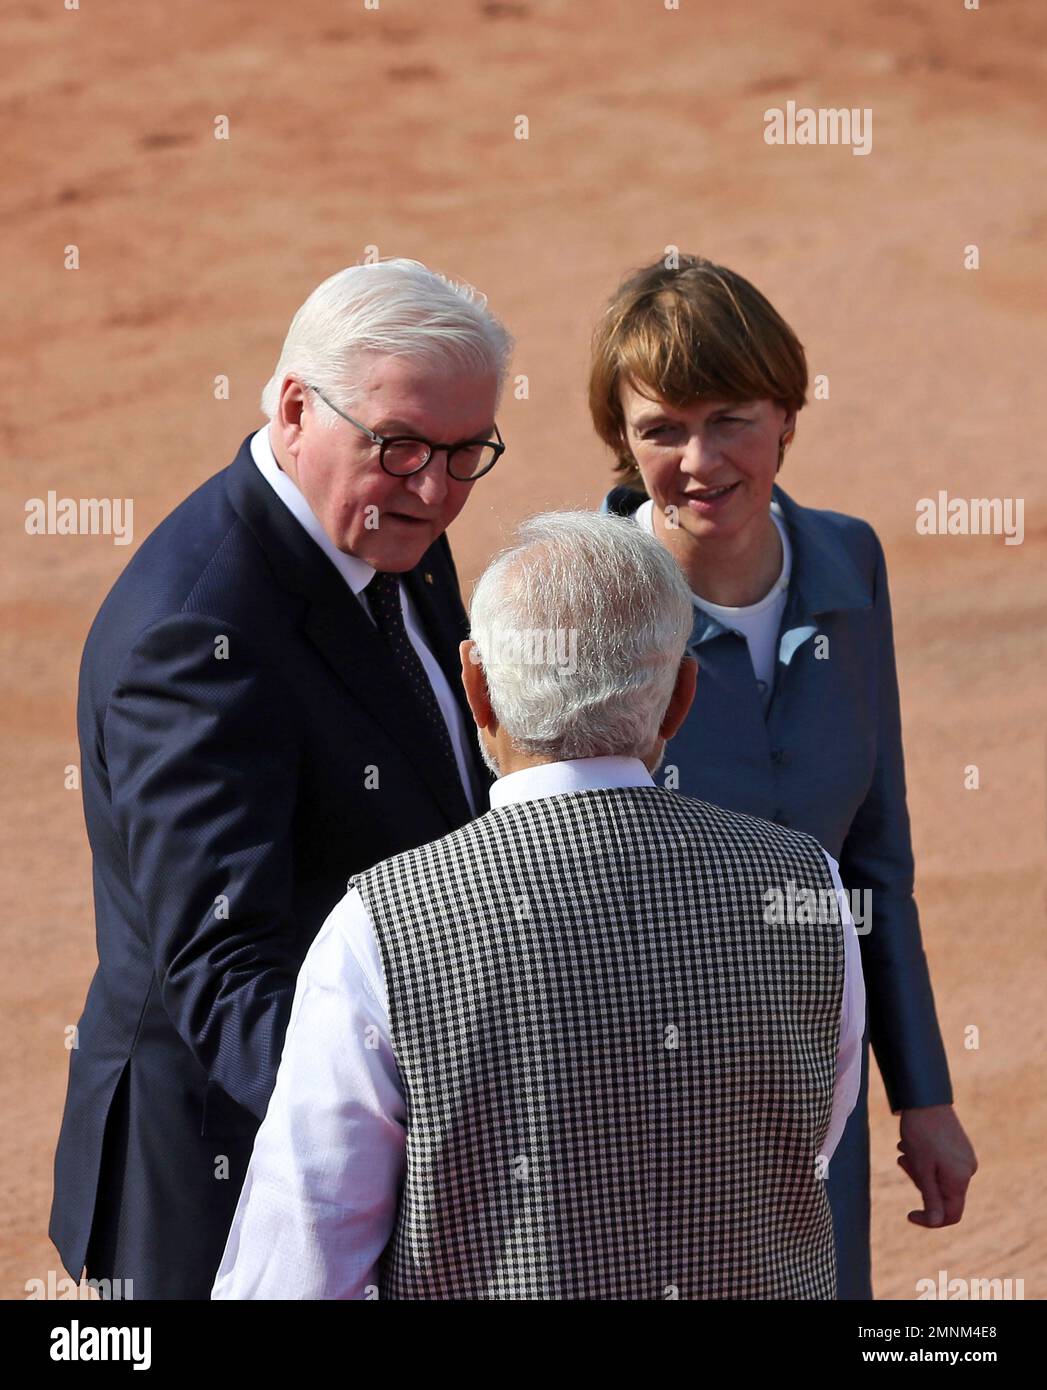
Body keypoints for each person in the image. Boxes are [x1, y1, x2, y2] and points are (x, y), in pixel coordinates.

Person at [212, 511, 865, 1300]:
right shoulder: (806, 885)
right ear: (680, 698)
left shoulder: (379, 922)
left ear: (475, 688)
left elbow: (305, 1248)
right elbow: (807, 1129)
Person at [49, 258, 512, 1299]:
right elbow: (226, 976)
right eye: (401, 446)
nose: (437, 491)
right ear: (298, 408)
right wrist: (426, 1135)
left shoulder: (387, 527)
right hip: (228, 1178)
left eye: (465, 453)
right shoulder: (197, 635)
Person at [590, 254, 977, 1298]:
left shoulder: (849, 562)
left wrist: (922, 1096)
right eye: (661, 428)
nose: (700, 459)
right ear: (621, 444)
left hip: (819, 1096)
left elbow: (875, 861)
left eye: (732, 418)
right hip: (638, 1114)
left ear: (789, 416)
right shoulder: (581, 600)